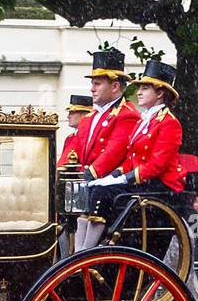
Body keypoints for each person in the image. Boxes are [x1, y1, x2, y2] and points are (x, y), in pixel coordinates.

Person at [79, 59, 187, 249]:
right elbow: (131, 159)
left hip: (160, 186)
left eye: (145, 88)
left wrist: (122, 180)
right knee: (92, 190)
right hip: (143, 183)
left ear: (160, 93)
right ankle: (80, 251)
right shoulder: (143, 121)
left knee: (103, 192)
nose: (138, 92)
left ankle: (88, 250)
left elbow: (156, 165)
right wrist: (113, 176)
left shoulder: (169, 122)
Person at [67, 48, 141, 247]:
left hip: (112, 181)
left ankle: (85, 253)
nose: (92, 88)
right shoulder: (90, 117)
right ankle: (71, 253)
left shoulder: (127, 114)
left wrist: (90, 173)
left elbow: (114, 151)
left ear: (115, 86)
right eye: (92, 83)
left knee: (93, 193)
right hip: (89, 180)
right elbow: (78, 151)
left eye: (97, 83)